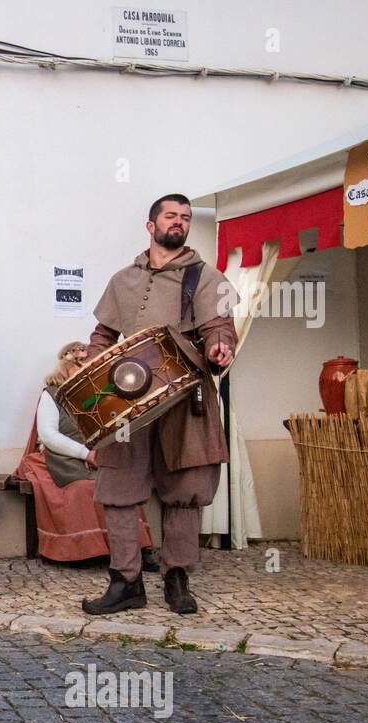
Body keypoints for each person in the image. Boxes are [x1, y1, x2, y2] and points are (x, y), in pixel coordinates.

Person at [81, 194, 237, 616]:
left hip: (185, 399)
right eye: (171, 216)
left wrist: (221, 347)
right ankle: (126, 582)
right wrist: (90, 358)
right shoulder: (122, 280)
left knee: (184, 490)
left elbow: (222, 328)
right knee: (118, 488)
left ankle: (177, 579)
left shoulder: (206, 277)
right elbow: (103, 335)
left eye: (185, 218)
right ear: (151, 226)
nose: (179, 223)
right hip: (126, 404)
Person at [14, 341, 155, 566]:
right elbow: (48, 435)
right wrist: (84, 454)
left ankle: (137, 549)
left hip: (98, 455)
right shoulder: (53, 394)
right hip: (65, 458)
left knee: (122, 485)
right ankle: (85, 550)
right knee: (83, 488)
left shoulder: (98, 395)